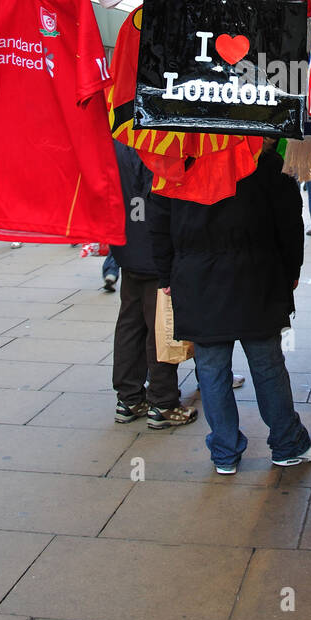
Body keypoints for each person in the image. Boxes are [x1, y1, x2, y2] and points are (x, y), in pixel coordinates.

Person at [166, 141, 311, 474]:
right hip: (257, 278)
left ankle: (224, 452)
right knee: (267, 364)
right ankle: (287, 444)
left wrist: (164, 271)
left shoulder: (180, 159)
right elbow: (289, 222)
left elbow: (158, 216)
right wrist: (291, 270)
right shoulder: (265, 162)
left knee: (211, 369)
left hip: (198, 280)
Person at [110, 141, 197, 428]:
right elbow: (159, 197)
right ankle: (163, 402)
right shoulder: (154, 141)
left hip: (126, 242)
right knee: (159, 326)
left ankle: (129, 397)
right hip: (154, 248)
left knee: (130, 322)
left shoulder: (116, 139)